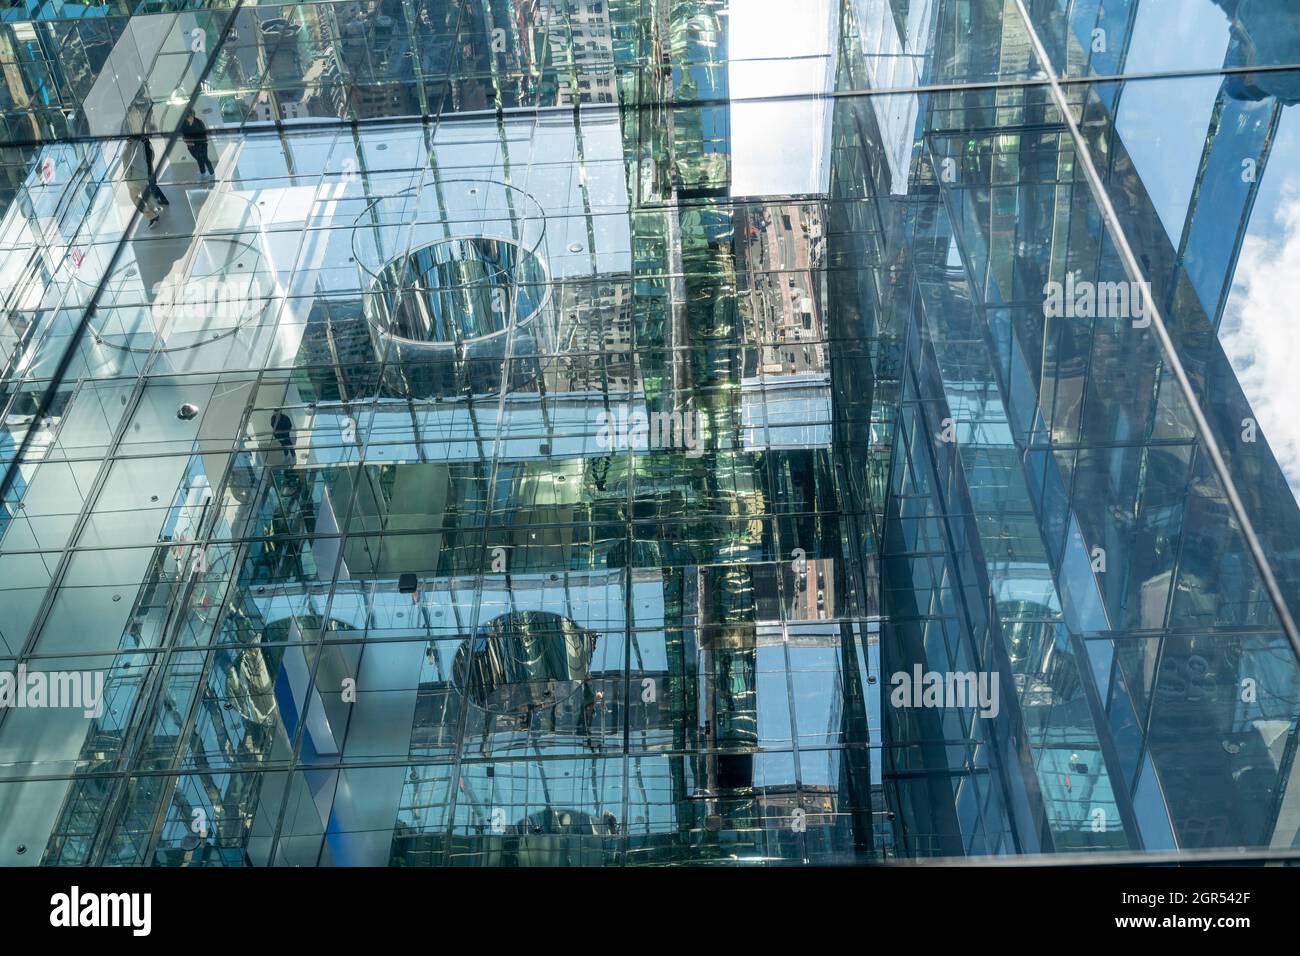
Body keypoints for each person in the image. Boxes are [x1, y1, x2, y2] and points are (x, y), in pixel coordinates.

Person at [181, 110, 214, 177]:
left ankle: (212, 173)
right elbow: (183, 136)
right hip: (192, 146)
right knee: (199, 159)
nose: (189, 119)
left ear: (193, 115)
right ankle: (203, 173)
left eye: (190, 117)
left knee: (205, 158)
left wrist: (201, 140)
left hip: (202, 144)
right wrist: (188, 142)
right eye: (187, 117)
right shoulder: (183, 124)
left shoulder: (199, 122)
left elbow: (204, 133)